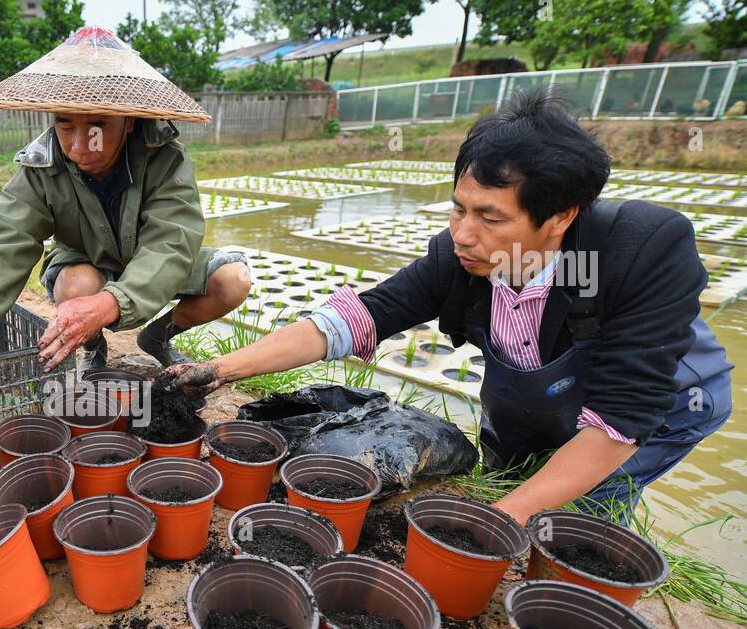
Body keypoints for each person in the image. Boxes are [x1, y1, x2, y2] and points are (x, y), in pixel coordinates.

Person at [161, 90, 733, 526]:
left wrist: (500, 519)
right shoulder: (458, 258)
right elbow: (355, 318)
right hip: (531, 396)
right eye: (458, 208)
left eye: (490, 217)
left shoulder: (641, 249)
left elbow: (620, 420)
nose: (463, 232)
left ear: (560, 217)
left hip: (655, 411)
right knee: (503, 476)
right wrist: (220, 369)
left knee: (578, 516)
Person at [0, 26, 252, 422]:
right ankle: (92, 346)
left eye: (97, 126)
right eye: (65, 125)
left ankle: (158, 335)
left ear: (127, 121)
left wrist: (110, 302)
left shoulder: (164, 158)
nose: (77, 146)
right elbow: (7, 242)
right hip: (87, 260)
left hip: (151, 263)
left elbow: (170, 243)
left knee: (233, 279)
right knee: (76, 289)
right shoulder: (41, 166)